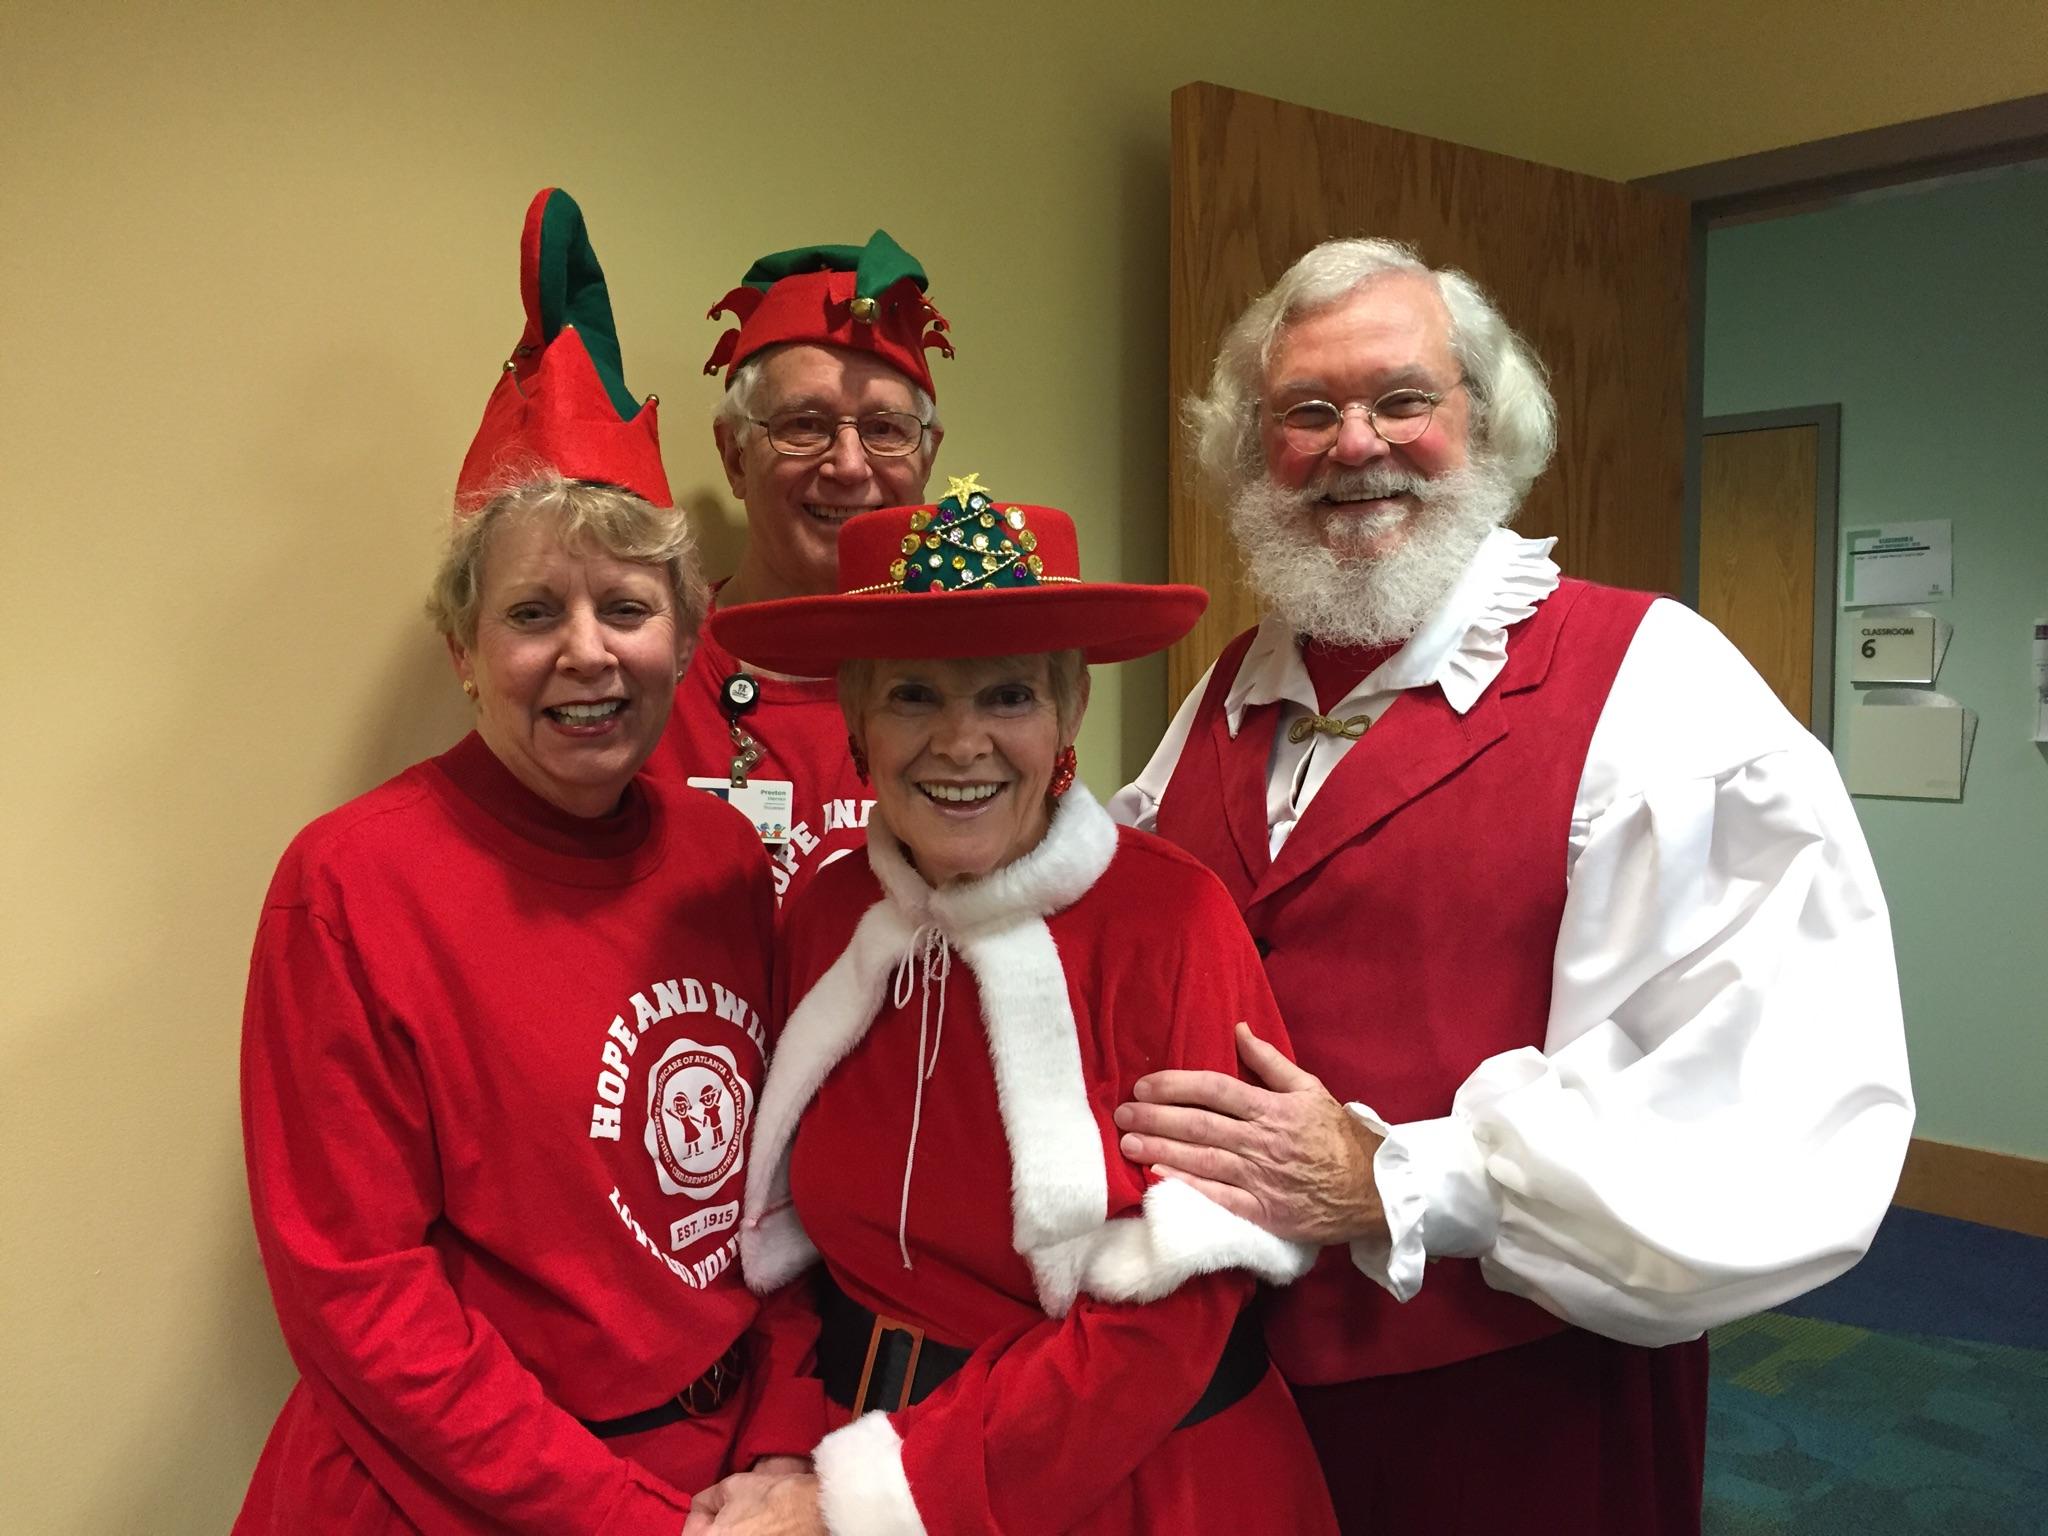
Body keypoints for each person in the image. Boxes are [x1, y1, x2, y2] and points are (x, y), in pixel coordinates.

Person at [1110, 237, 1914, 1533]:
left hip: (1513, 1409)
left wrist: (1400, 1179)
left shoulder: (1657, 682)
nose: (1352, 443)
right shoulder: (1223, 693)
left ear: (1484, 424)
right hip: (1221, 1395)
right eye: (1304, 413)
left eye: (1402, 400)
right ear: (1249, 453)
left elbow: (1771, 1109)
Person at [235, 188, 821, 1534]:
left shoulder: (726, 859)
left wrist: (788, 1448)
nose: (588, 654)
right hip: (461, 1496)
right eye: (531, 614)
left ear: (686, 638)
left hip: (722, 1485)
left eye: (627, 609)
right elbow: (359, 1295)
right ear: (462, 650)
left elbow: (785, 1196)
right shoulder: (351, 884)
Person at [689, 479, 1341, 1535]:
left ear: (1068, 710)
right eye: (911, 696)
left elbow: (1174, 1317)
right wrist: (782, 1438)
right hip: (848, 1456)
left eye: (1005, 696)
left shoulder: (1172, 920)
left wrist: (863, 1504)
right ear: (852, 716)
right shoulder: (826, 912)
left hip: (1126, 1484)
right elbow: (789, 1246)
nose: (959, 744)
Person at [644, 233, 951, 905]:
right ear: (733, 458)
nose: (847, 465)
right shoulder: (642, 674)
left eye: (887, 429)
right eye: (804, 425)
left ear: (926, 459)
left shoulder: (984, 681)